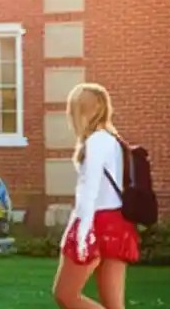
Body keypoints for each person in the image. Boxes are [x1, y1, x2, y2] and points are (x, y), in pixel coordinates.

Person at [53, 83, 139, 309]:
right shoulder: (113, 140)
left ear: (80, 111)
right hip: (117, 223)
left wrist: (81, 233)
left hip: (97, 222)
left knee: (66, 294)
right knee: (114, 305)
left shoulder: (96, 141)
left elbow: (89, 190)